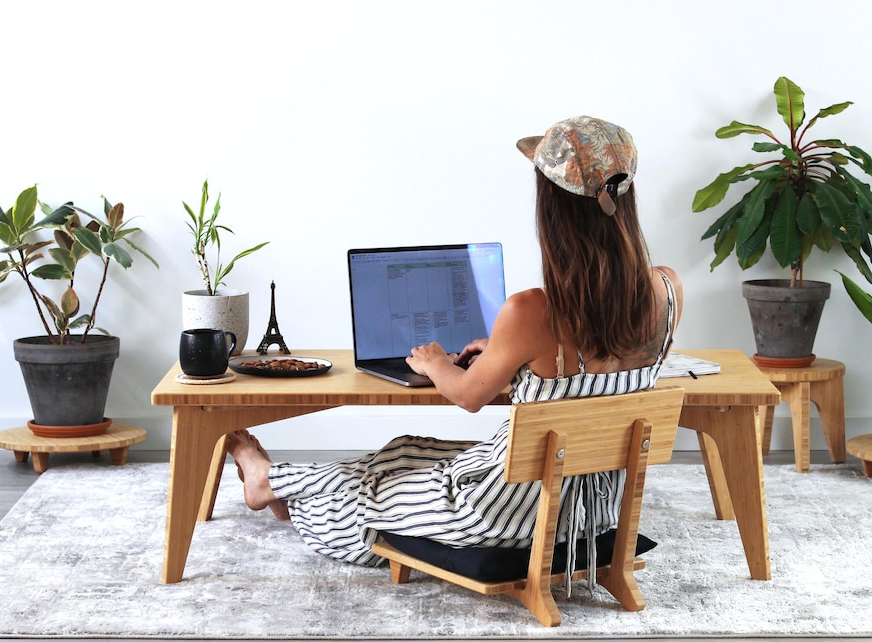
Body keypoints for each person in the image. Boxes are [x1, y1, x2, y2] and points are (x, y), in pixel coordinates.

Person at [229, 115, 684, 576]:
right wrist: (509, 351)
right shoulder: (667, 288)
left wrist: (433, 363)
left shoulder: (532, 311)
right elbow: (599, 362)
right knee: (406, 450)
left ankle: (274, 485)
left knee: (367, 498)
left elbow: (468, 396)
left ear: (553, 209)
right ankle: (284, 488)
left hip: (507, 509)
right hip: (594, 509)